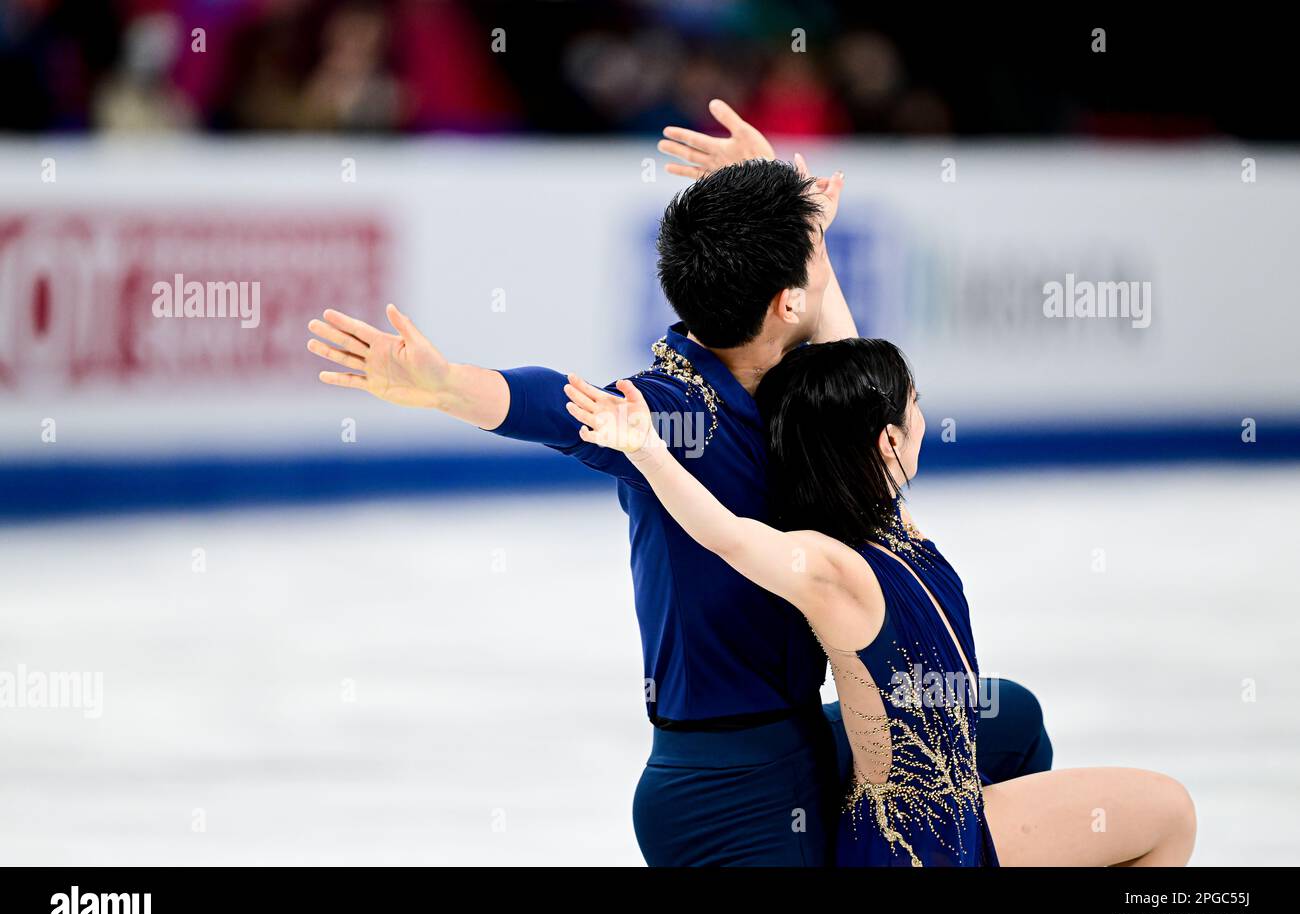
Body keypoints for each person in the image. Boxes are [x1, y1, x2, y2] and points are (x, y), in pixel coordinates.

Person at [306, 103, 1053, 865]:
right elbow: (550, 404)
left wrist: (772, 197)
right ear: (784, 302)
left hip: (796, 738)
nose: (827, 250)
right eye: (817, 247)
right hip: (726, 786)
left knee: (1010, 722)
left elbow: (854, 370)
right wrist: (447, 388)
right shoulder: (665, 412)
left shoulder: (794, 376)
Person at [562, 338, 1197, 866]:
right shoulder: (840, 569)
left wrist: (814, 233)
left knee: (1078, 757)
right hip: (918, 842)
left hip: (941, 818)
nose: (922, 415)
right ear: (886, 442)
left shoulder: (885, 518)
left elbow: (846, 357)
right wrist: (648, 450)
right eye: (914, 406)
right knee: (1169, 814)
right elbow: (727, 537)